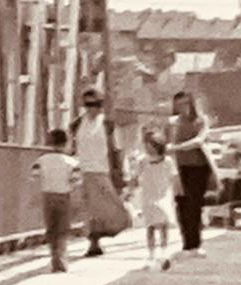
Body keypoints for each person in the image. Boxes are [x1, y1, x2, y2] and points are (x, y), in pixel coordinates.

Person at [167, 88, 214, 255]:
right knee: (181, 205)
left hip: (198, 168)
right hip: (179, 169)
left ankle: (195, 242)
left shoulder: (201, 121)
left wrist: (177, 147)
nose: (183, 107)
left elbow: (199, 141)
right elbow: (165, 142)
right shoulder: (173, 122)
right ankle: (186, 242)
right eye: (179, 104)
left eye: (186, 103)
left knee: (194, 205)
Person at [73, 93, 121, 259]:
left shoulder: (107, 124)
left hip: (102, 170)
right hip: (84, 171)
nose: (91, 108)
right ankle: (93, 242)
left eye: (95, 104)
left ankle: (103, 235)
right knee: (89, 210)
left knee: (107, 209)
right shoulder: (78, 123)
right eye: (88, 104)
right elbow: (71, 146)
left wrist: (118, 171)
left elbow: (115, 148)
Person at [131, 125, 179, 270]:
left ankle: (164, 252)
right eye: (146, 143)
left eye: (150, 143)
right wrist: (130, 190)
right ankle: (151, 254)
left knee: (163, 225)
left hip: (163, 196)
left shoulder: (168, 161)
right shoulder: (143, 161)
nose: (147, 146)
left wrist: (178, 194)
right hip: (148, 196)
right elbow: (135, 177)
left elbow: (174, 178)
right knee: (150, 226)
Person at [31, 127, 79, 273]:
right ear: (66, 143)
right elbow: (76, 182)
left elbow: (34, 176)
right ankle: (61, 258)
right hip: (64, 196)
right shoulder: (71, 162)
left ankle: (54, 257)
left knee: (51, 229)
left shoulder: (41, 160)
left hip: (47, 195)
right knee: (62, 229)